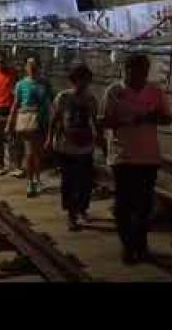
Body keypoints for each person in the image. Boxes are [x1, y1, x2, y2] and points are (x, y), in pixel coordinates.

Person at [103, 54, 172, 265]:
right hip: (122, 156)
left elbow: (167, 118)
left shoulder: (155, 92)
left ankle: (140, 245)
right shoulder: (114, 91)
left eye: (141, 71)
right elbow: (103, 120)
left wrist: (153, 117)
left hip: (148, 157)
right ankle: (128, 245)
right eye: (132, 70)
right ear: (125, 70)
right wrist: (127, 121)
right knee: (124, 206)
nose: (136, 74)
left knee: (144, 206)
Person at [45, 63, 104, 231]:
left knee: (85, 181)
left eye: (86, 80)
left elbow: (94, 120)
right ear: (74, 80)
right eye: (81, 80)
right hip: (66, 146)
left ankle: (82, 208)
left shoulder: (91, 99)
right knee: (69, 181)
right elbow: (55, 119)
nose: (84, 83)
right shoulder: (63, 97)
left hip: (85, 146)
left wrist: (99, 138)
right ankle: (71, 214)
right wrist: (49, 139)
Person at [5, 57, 52, 198]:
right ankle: (30, 181)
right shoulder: (21, 85)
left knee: (38, 152)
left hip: (42, 120)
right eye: (29, 65)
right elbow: (16, 104)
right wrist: (9, 123)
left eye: (34, 65)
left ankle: (36, 178)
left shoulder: (44, 83)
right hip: (28, 120)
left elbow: (50, 102)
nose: (32, 67)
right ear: (26, 67)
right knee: (30, 152)